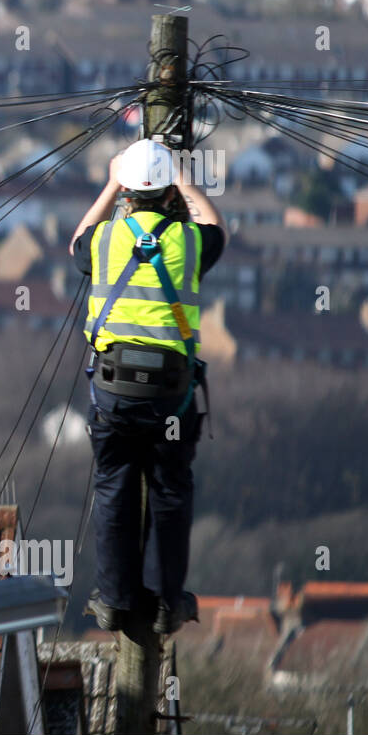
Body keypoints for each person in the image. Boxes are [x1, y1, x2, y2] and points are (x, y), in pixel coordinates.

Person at [67, 138, 228, 635]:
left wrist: (111, 179)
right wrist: (183, 175)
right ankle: (162, 603)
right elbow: (217, 226)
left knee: (114, 487)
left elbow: (77, 239)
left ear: (128, 197)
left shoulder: (104, 242)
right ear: (167, 195)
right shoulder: (187, 243)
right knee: (170, 490)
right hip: (170, 399)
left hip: (114, 395)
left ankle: (114, 601)